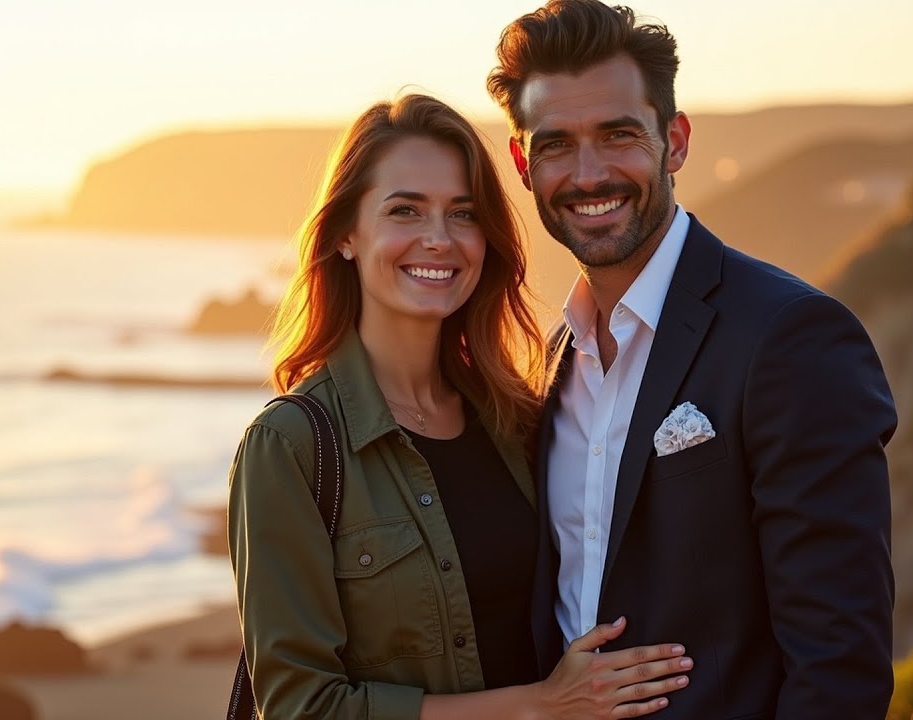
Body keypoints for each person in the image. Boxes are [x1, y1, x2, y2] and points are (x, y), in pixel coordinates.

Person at [487, 2, 900, 717]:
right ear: (524, 164)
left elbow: (840, 666)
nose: (588, 175)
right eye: (556, 145)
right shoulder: (553, 363)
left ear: (673, 141)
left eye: (617, 135)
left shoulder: (791, 337)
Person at [227, 93, 693, 720]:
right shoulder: (292, 445)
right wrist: (542, 705)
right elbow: (299, 707)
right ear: (345, 234)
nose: (439, 240)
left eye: (463, 213)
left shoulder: (520, 419)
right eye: (406, 211)